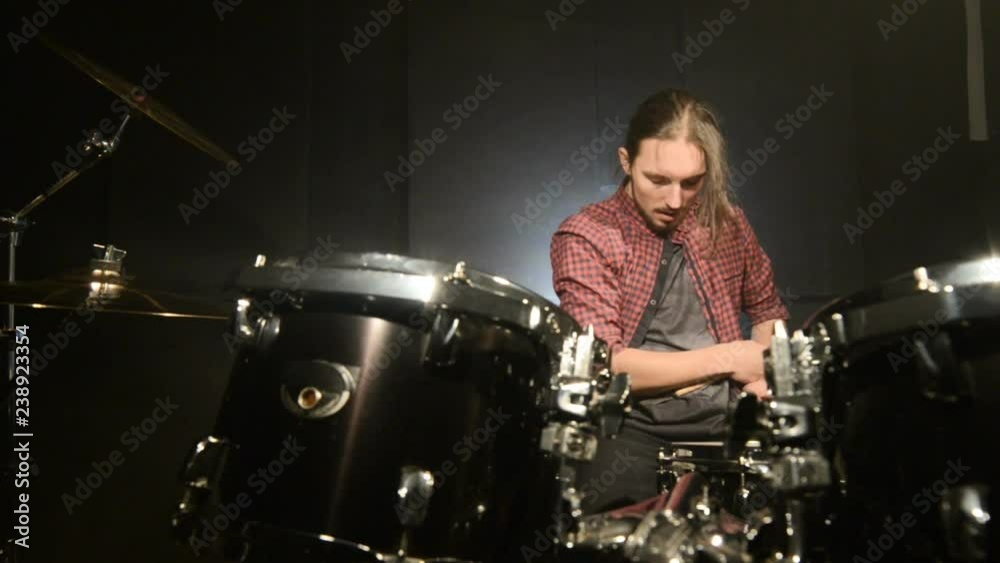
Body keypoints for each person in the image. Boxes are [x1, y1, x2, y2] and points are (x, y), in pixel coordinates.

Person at [549, 88, 789, 513]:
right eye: (657, 180)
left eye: (691, 183)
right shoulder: (587, 234)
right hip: (630, 433)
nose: (675, 201)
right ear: (627, 162)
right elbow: (606, 364)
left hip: (730, 428)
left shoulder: (728, 223)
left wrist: (760, 381)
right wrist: (731, 357)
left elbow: (768, 309)